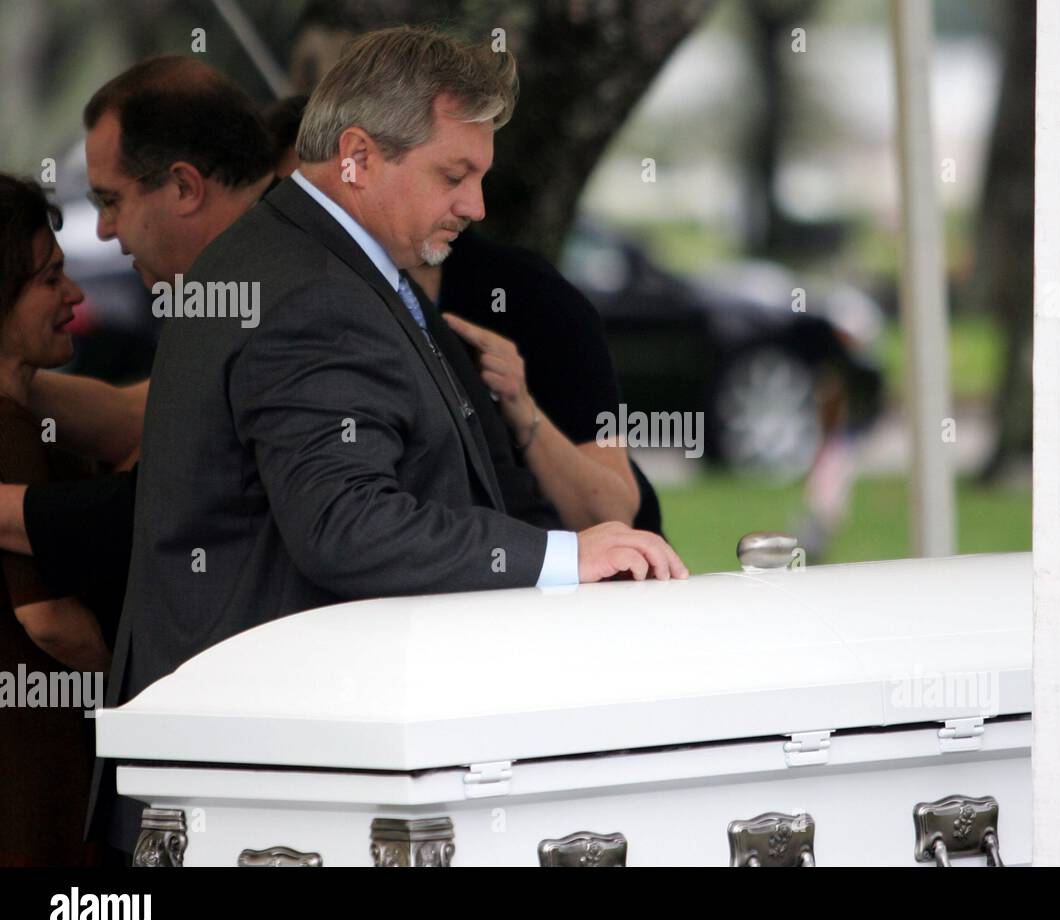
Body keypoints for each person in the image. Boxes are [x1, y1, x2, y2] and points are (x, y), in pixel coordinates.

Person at [118, 24, 687, 713]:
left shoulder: (311, 259)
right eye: (454, 175)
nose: (476, 206)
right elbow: (346, 524)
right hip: (269, 742)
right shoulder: (315, 292)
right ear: (357, 156)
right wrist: (564, 557)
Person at [263, 93, 664, 534]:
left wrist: (519, 406)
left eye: (461, 177)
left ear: (361, 165)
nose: (474, 207)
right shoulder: (301, 304)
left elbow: (615, 513)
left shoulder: (535, 298)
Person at [0, 174, 111, 865]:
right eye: (49, 280)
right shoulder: (8, 433)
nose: (74, 296)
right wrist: (135, 684)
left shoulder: (31, 422)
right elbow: (49, 620)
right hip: (34, 773)